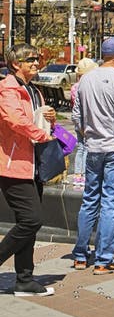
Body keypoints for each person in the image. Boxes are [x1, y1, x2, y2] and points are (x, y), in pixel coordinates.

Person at [71, 37, 114, 275]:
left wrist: (86, 134)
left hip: (93, 147)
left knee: (89, 200)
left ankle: (80, 255)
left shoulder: (85, 79)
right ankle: (104, 259)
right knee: (109, 204)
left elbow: (76, 116)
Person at [0, 44, 57, 296]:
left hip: (34, 163)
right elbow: (14, 120)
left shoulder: (33, 90)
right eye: (30, 59)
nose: (36, 62)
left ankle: (24, 278)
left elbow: (36, 119)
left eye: (37, 58)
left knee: (29, 224)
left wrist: (51, 119)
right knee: (32, 219)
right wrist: (42, 134)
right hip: (13, 165)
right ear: (15, 64)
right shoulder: (7, 89)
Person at [69, 58, 98, 188]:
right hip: (87, 120)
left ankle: (77, 174)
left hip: (77, 120)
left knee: (80, 147)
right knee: (87, 146)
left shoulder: (75, 87)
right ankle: (85, 173)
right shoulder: (89, 86)